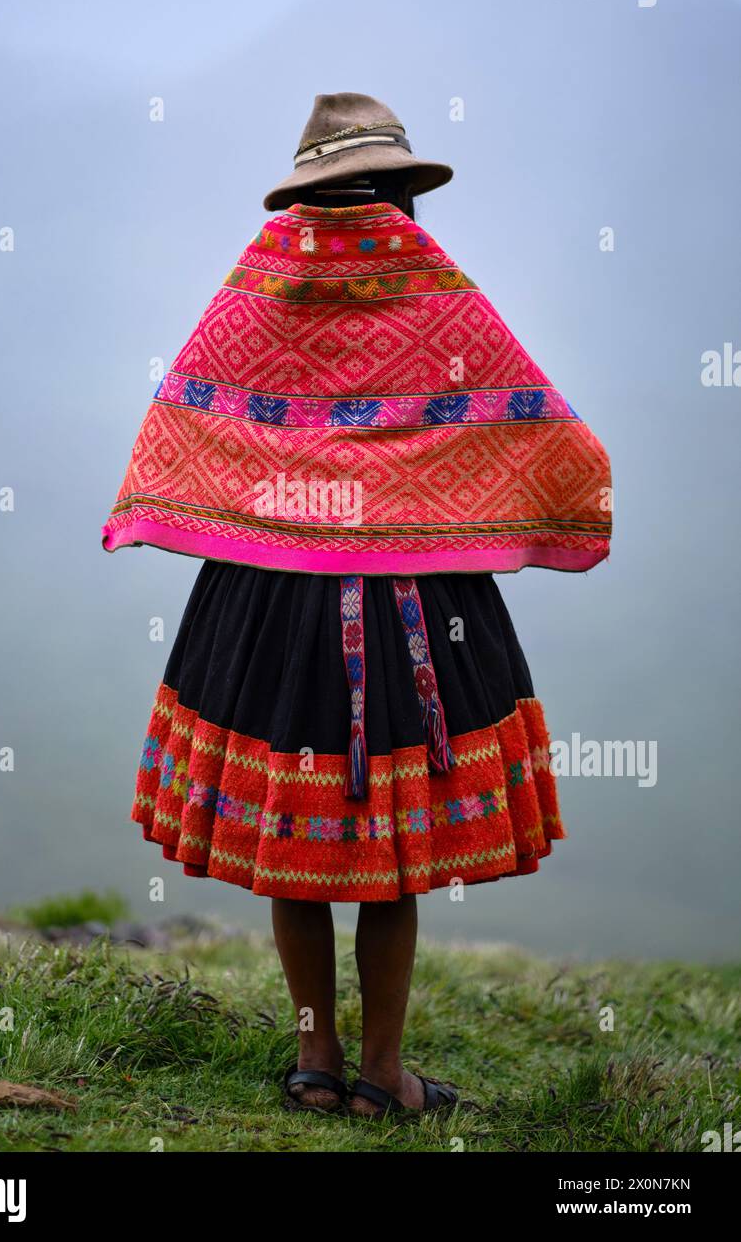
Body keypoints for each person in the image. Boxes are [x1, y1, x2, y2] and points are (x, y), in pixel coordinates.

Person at [102, 92, 612, 1117]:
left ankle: (313, 1062)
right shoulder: (433, 287)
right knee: (390, 854)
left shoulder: (257, 280)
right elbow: (540, 427)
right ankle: (382, 1073)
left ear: (308, 189)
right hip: (416, 598)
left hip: (269, 597)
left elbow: (185, 412)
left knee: (296, 843)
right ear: (395, 188)